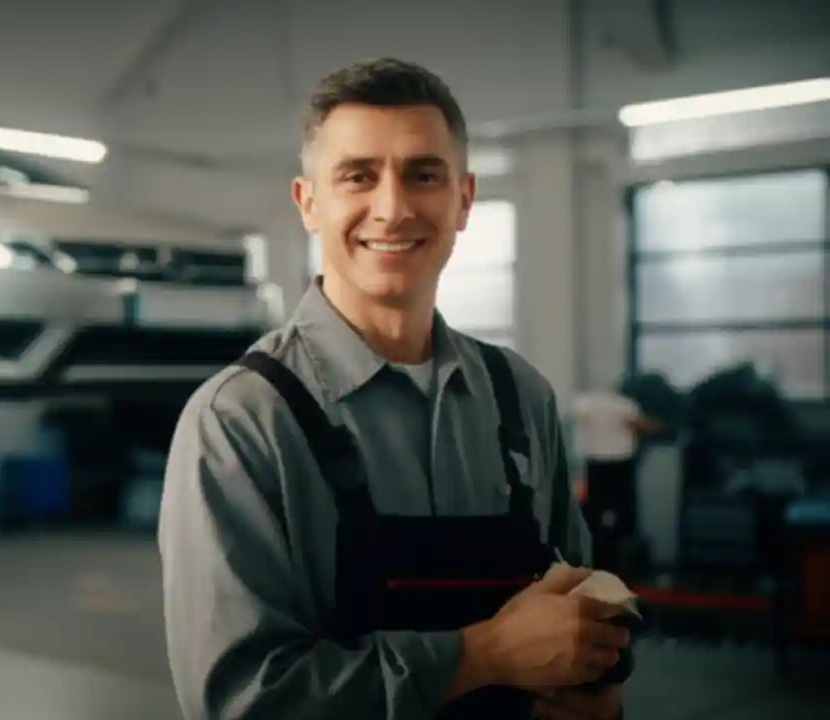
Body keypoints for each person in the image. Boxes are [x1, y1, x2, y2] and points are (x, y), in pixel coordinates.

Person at [158, 58, 631, 719]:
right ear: (309, 203)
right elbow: (242, 702)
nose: (393, 207)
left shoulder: (522, 398)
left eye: (423, 175)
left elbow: (581, 614)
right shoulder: (241, 421)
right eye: (358, 176)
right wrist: (482, 655)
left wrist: (595, 688)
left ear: (463, 200)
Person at [572, 389, 663, 573]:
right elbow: (640, 425)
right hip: (617, 466)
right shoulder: (625, 406)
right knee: (622, 518)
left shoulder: (585, 403)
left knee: (595, 516)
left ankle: (597, 564)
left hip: (595, 464)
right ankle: (616, 566)